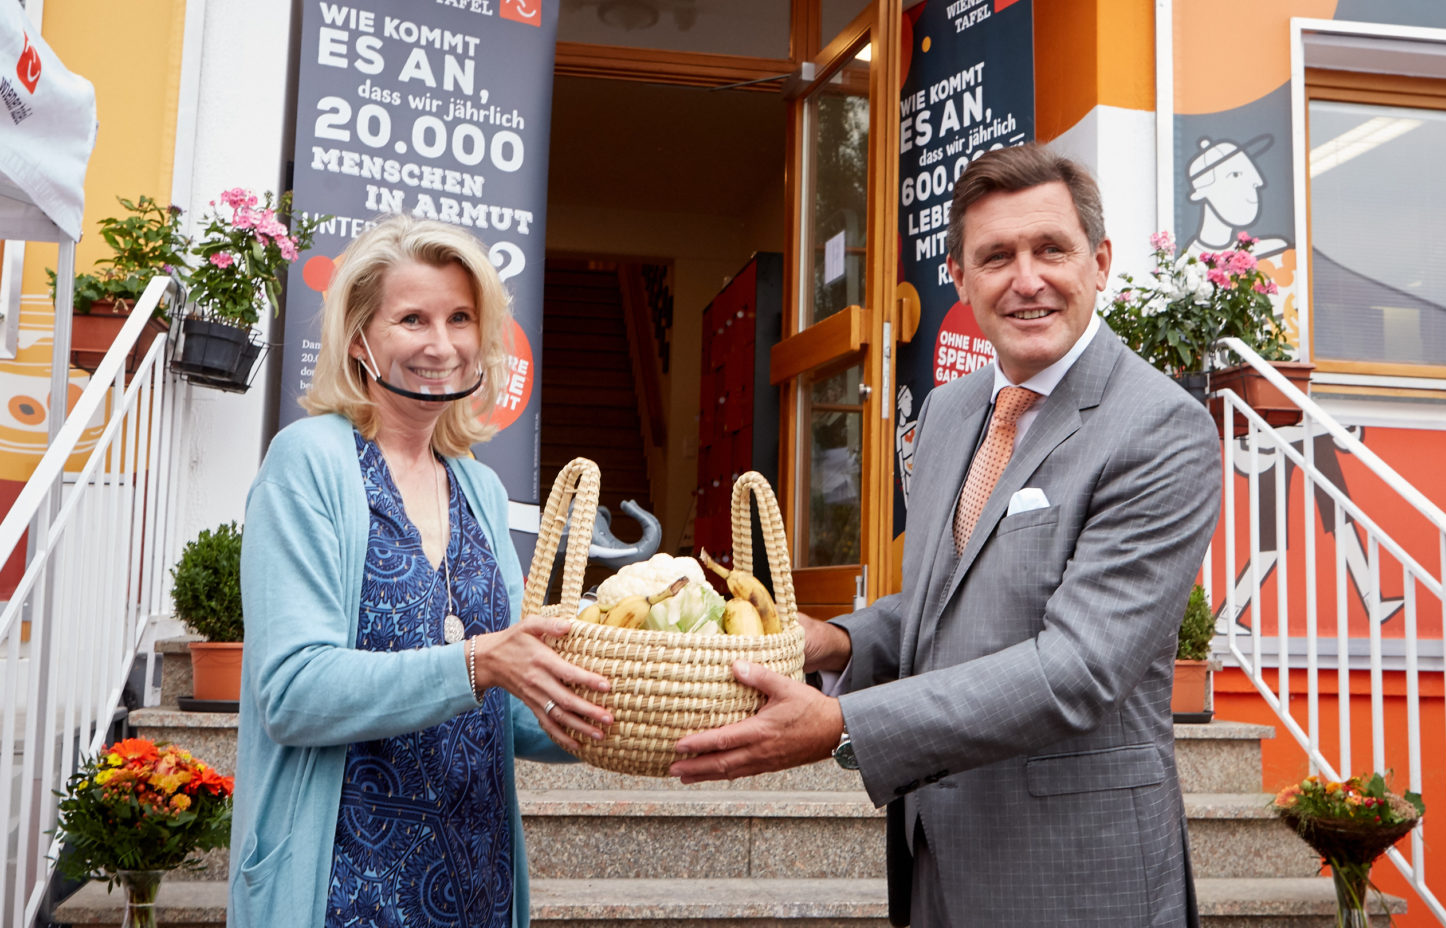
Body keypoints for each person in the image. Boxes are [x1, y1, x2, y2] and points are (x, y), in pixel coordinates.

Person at [670, 144, 1222, 927]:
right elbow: (945, 604)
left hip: (1079, 876)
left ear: (1099, 263)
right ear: (960, 280)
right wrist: (830, 641)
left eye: (1051, 250)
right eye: (996, 256)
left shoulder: (1162, 428)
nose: (1027, 279)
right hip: (937, 859)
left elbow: (1079, 669)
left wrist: (842, 722)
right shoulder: (947, 412)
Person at [227, 214, 612, 927]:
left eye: (461, 318)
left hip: (477, 887)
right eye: (413, 318)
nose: (442, 344)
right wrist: (478, 663)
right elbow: (291, 690)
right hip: (345, 891)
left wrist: (613, 716)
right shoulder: (307, 462)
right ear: (359, 339)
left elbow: (502, 712)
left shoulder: (479, 489)